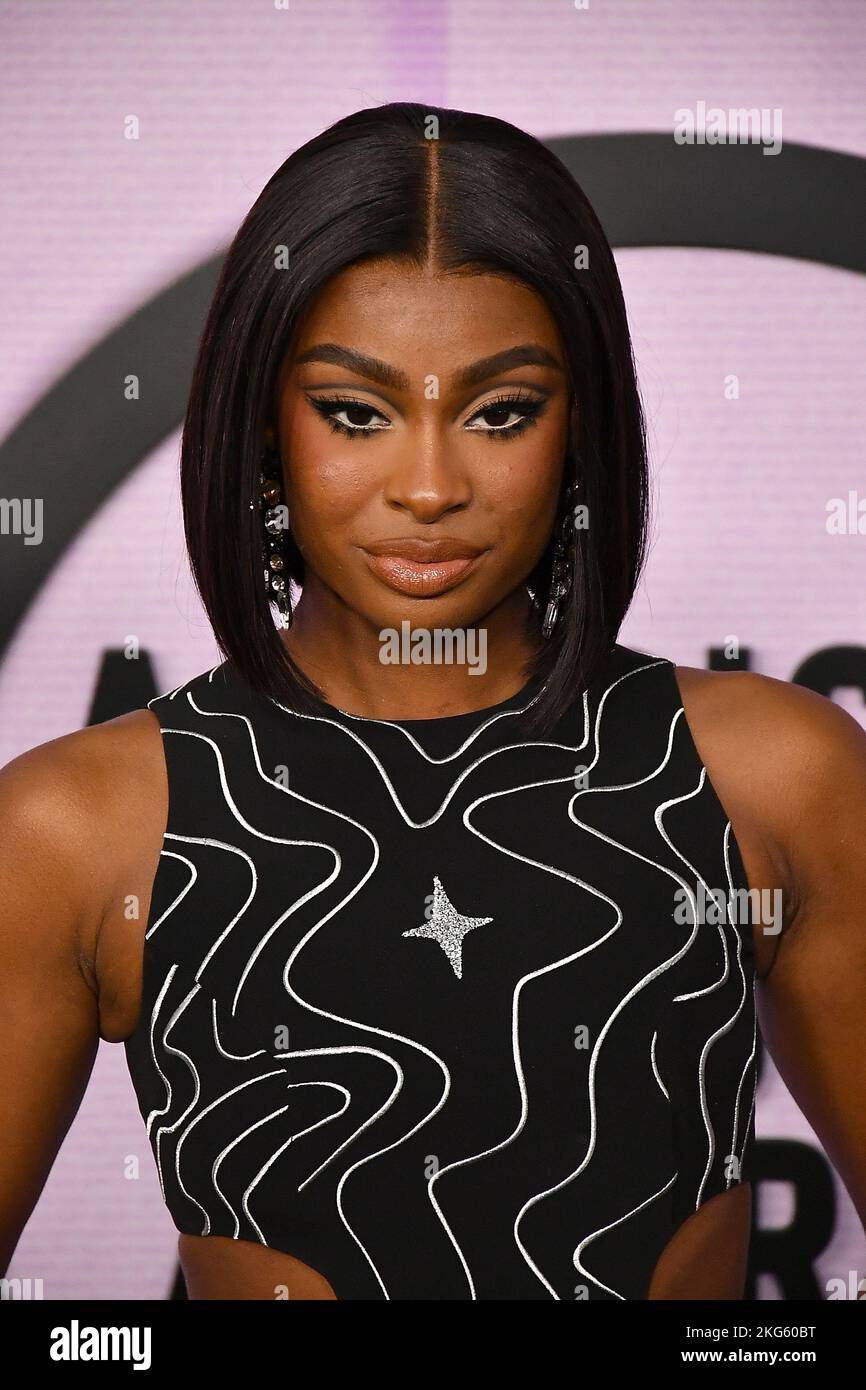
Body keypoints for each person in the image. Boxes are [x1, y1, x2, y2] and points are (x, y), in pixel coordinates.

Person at [1, 101, 865, 1302]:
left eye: (499, 411)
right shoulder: (76, 827)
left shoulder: (775, 773)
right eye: (354, 412)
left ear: (582, 427)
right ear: (261, 426)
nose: (427, 485)